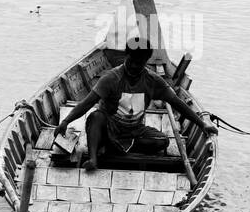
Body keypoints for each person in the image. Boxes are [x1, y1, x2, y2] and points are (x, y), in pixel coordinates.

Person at [56, 40, 216, 172]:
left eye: (138, 63)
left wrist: (202, 124)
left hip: (134, 132)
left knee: (162, 141)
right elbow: (87, 103)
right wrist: (65, 122)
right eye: (131, 61)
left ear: (145, 62)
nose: (133, 66)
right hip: (110, 128)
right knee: (95, 117)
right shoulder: (111, 78)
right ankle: (93, 158)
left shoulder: (152, 81)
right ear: (127, 56)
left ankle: (118, 146)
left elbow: (178, 104)